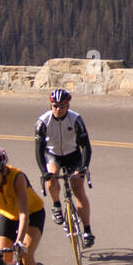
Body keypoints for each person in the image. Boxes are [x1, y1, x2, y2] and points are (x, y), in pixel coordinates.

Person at [34, 89, 94, 246]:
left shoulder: (76, 120)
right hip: (53, 155)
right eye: (54, 106)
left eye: (62, 106)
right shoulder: (42, 122)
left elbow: (86, 147)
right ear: (51, 105)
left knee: (78, 190)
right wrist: (44, 172)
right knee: (52, 175)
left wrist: (83, 167)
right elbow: (39, 150)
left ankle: (87, 229)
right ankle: (56, 205)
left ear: (67, 106)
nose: (58, 109)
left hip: (72, 154)